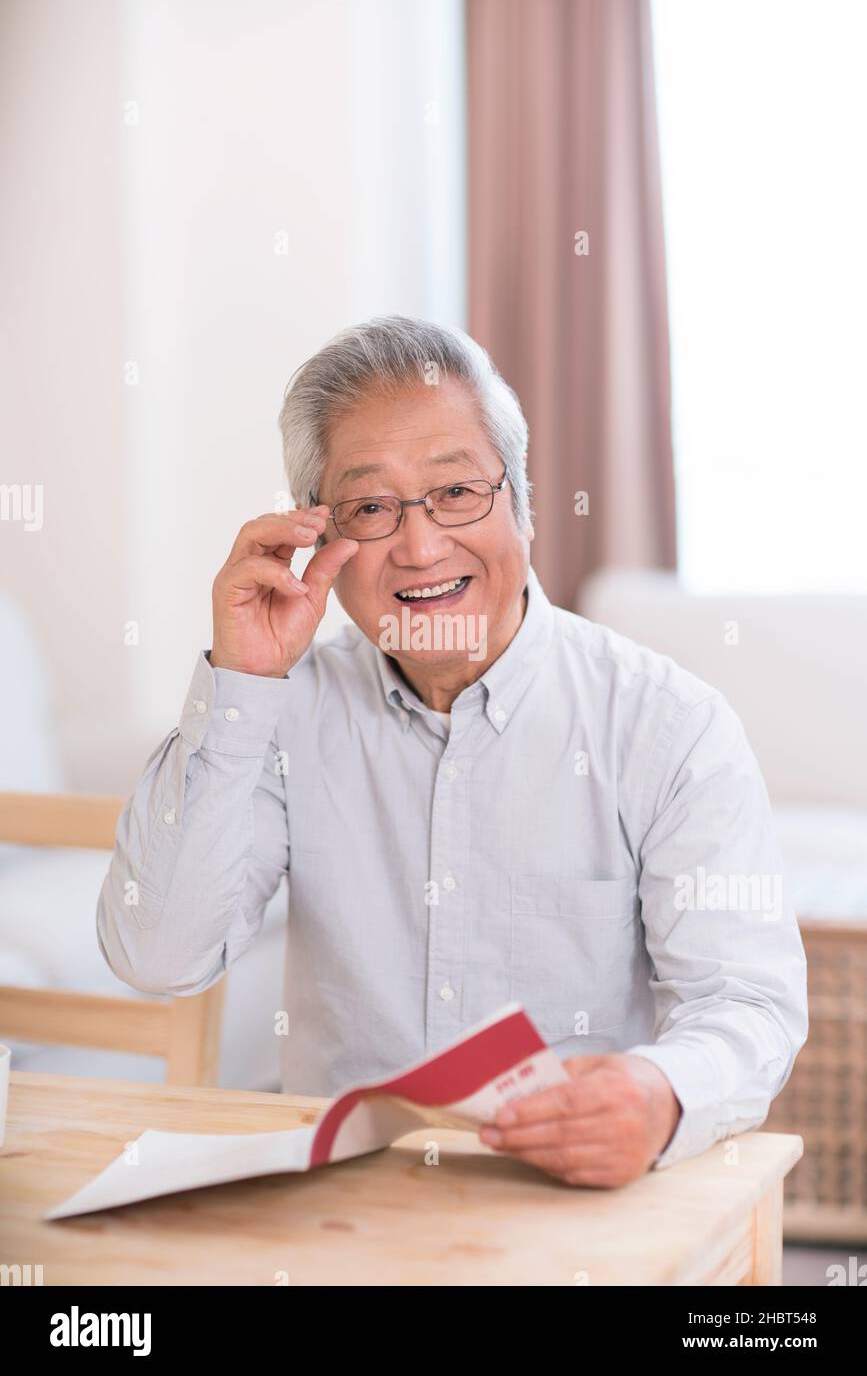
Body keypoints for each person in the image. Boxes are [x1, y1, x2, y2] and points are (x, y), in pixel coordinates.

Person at [98, 314, 808, 1188]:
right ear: (318, 541)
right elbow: (158, 957)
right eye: (368, 507)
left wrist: (658, 1092)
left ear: (521, 503)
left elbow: (746, 1002)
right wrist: (239, 687)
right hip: (346, 1208)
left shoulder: (668, 725)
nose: (421, 546)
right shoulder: (284, 714)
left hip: (570, 1203)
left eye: (456, 492)